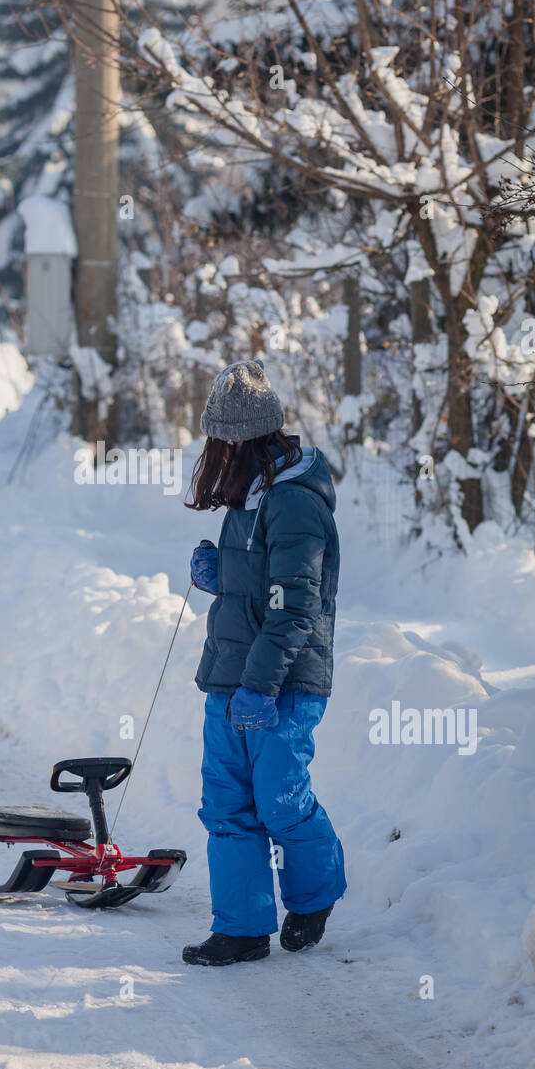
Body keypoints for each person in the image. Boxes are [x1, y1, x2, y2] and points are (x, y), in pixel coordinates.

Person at [183, 359, 346, 966]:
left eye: (223, 443)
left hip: (283, 684)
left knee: (280, 801)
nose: (216, 454)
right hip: (230, 679)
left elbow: (295, 609)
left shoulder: (295, 501)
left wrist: (261, 687)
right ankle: (243, 928)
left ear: (249, 440)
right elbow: (259, 584)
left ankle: (315, 894)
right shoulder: (248, 496)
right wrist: (218, 572)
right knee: (226, 806)